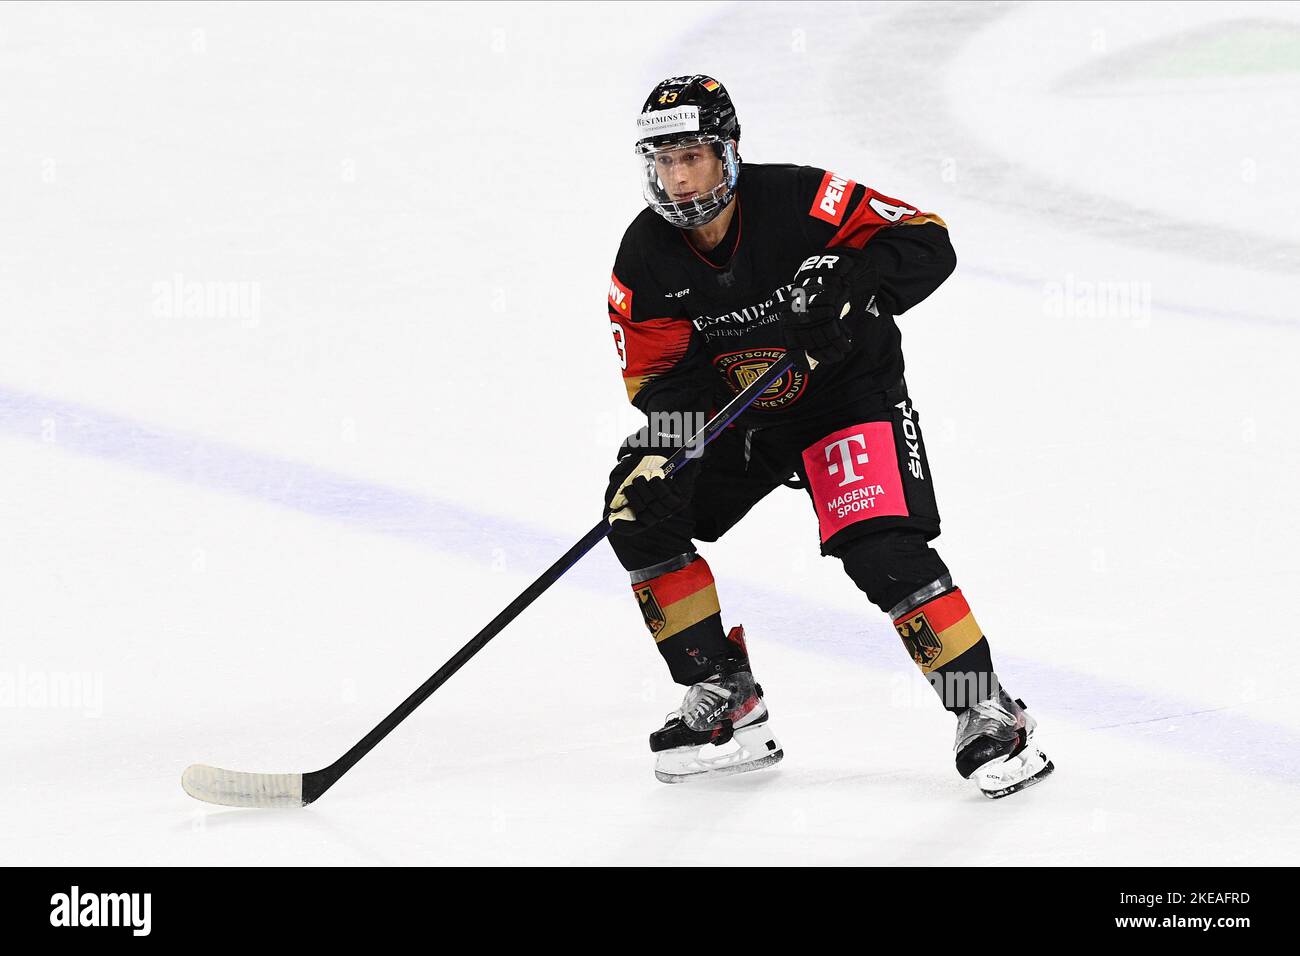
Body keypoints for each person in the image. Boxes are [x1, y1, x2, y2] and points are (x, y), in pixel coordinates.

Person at [602, 74, 1053, 798]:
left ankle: (988, 711)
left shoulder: (800, 200)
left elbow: (928, 240)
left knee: (881, 549)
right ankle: (727, 698)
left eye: (692, 156)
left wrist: (855, 271)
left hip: (847, 400)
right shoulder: (644, 256)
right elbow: (658, 377)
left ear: (728, 152)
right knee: (639, 515)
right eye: (663, 160)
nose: (679, 178)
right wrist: (669, 447)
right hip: (743, 417)